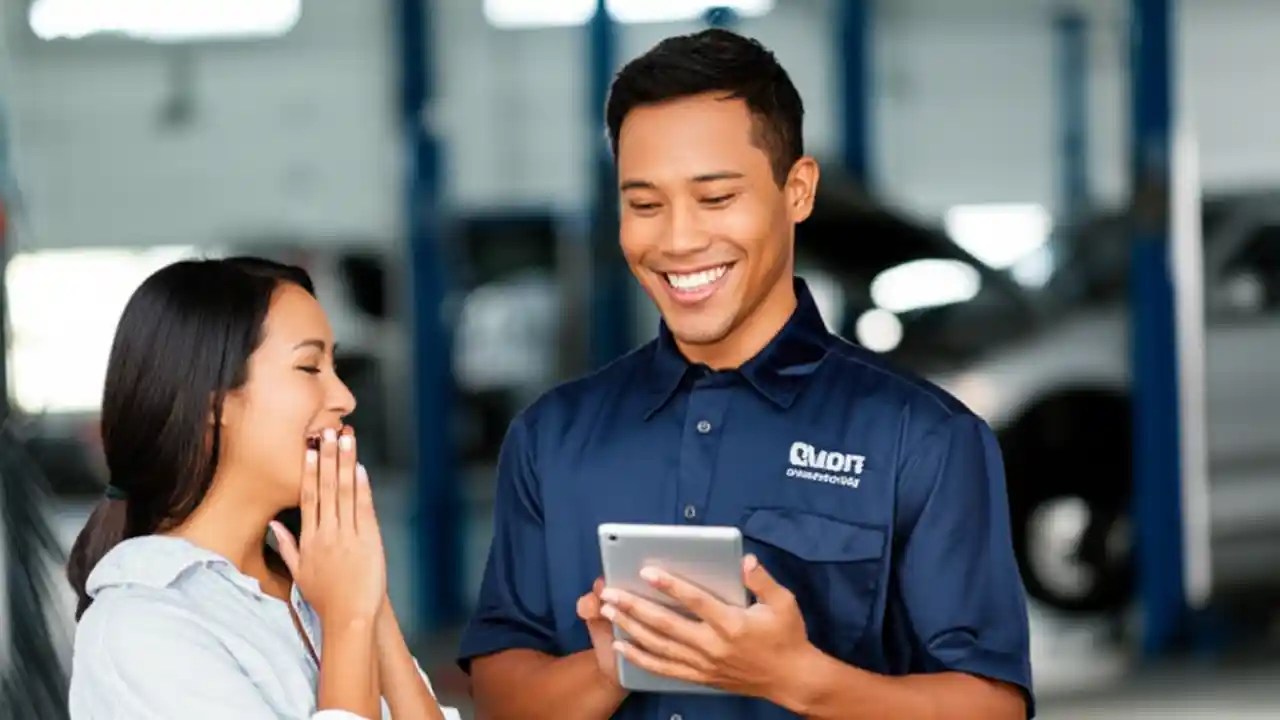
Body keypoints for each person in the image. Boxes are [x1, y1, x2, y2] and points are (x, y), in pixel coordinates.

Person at [458, 28, 1034, 720]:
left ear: (798, 190)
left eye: (716, 198)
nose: (676, 240)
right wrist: (620, 660)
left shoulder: (925, 439)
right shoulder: (551, 438)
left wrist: (797, 677)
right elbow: (500, 686)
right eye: (644, 205)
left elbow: (990, 705)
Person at [65, 257, 459, 720]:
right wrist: (349, 619)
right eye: (310, 367)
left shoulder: (317, 590)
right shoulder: (137, 628)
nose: (344, 399)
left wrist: (369, 602)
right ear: (214, 403)